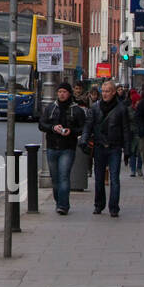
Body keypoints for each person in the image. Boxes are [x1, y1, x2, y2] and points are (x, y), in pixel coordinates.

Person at [81, 79, 131, 217]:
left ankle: (114, 207)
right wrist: (84, 140)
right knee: (98, 178)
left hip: (114, 146)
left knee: (114, 179)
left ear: (114, 92)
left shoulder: (121, 108)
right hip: (99, 146)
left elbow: (126, 130)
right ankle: (99, 205)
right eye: (103, 91)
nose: (105, 94)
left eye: (108, 91)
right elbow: (88, 125)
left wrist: (127, 151)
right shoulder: (95, 108)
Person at [38, 82, 85, 215]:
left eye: (64, 92)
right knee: (55, 178)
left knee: (64, 176)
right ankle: (59, 201)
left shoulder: (76, 110)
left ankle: (63, 206)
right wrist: (53, 128)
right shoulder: (51, 108)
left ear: (69, 93)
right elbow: (41, 124)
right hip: (52, 147)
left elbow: (83, 128)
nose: (61, 94)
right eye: (59, 92)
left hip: (68, 148)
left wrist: (72, 131)